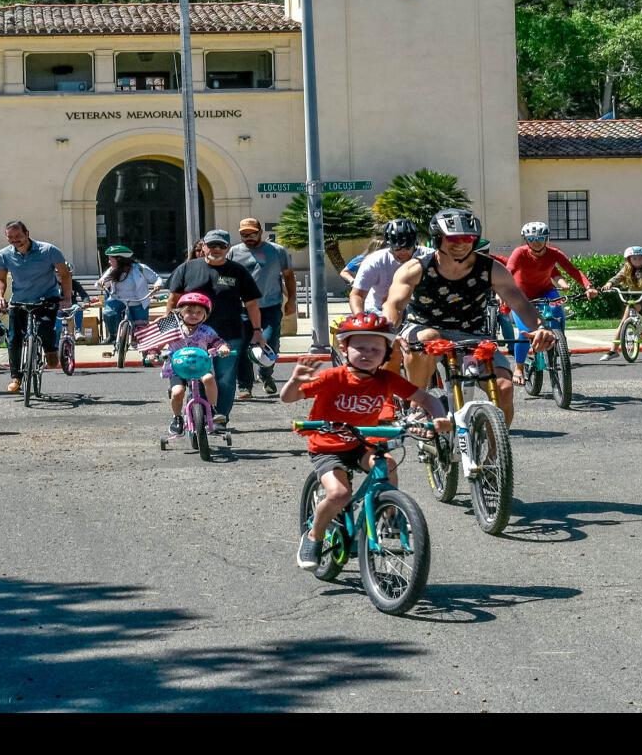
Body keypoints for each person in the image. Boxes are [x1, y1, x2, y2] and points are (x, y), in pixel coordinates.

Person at [281, 312, 448, 570]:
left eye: (375, 348)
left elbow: (428, 399)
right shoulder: (332, 377)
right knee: (339, 493)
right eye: (359, 347)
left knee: (388, 465)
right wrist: (294, 381)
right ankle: (314, 536)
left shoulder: (387, 379)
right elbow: (288, 398)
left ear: (387, 352)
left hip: (361, 442)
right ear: (344, 348)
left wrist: (439, 418)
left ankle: (389, 514)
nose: (367, 353)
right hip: (328, 446)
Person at [380, 209, 556, 428]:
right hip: (423, 328)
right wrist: (388, 331)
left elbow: (520, 303)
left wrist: (541, 327)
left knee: (504, 388)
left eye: (468, 238)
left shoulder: (492, 269)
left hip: (473, 335)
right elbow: (394, 304)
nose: (461, 243)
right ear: (437, 238)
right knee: (428, 335)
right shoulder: (416, 268)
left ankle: (496, 457)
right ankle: (418, 405)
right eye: (453, 238)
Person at [167, 229, 267, 425]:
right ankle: (197, 413)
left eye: (222, 245)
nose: (217, 249)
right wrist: (165, 332)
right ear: (203, 247)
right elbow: (173, 301)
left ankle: (219, 417)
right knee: (196, 376)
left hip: (229, 334)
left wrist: (257, 332)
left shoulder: (238, 271)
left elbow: (252, 304)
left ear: (228, 248)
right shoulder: (187, 269)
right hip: (190, 336)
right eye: (212, 245)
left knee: (224, 378)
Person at [504, 221, 598, 367]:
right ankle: (519, 368)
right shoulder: (520, 252)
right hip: (522, 296)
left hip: (546, 292)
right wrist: (503, 291)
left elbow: (573, 270)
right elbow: (509, 269)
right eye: (531, 239)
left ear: (546, 239)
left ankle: (560, 345)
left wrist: (588, 286)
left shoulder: (554, 253)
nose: (536, 243)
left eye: (540, 239)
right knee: (524, 332)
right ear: (526, 240)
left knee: (557, 319)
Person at [0, 220, 72, 392]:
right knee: (14, 338)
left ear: (27, 233)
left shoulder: (49, 250)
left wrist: (66, 298)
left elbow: (65, 275)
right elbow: (0, 278)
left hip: (46, 298)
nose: (15, 240)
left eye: (18, 236)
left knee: (45, 328)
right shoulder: (4, 255)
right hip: (20, 300)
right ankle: (16, 377)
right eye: (11, 237)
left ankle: (50, 349)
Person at [228, 217, 297, 398]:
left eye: (252, 233)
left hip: (270, 306)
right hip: (242, 308)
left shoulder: (277, 251)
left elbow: (289, 276)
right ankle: (245, 386)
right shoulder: (234, 252)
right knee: (243, 347)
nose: (248, 237)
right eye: (244, 234)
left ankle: (266, 375)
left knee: (269, 343)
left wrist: (291, 300)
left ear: (260, 232)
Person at [159, 292, 232, 431]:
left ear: (205, 315)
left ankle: (212, 409)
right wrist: (153, 353)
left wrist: (222, 347)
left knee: (209, 378)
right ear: (181, 312)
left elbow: (217, 341)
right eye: (189, 311)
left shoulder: (206, 330)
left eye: (199, 312)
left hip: (201, 366)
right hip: (178, 367)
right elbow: (158, 343)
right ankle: (177, 418)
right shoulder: (173, 329)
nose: (194, 315)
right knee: (177, 392)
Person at [97, 245, 162, 344]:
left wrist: (157, 286)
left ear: (120, 259)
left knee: (141, 330)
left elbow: (157, 279)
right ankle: (113, 335)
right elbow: (101, 282)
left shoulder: (140, 268)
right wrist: (101, 282)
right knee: (108, 313)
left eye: (111, 259)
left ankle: (142, 346)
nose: (109, 262)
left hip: (138, 301)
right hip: (118, 300)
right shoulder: (111, 270)